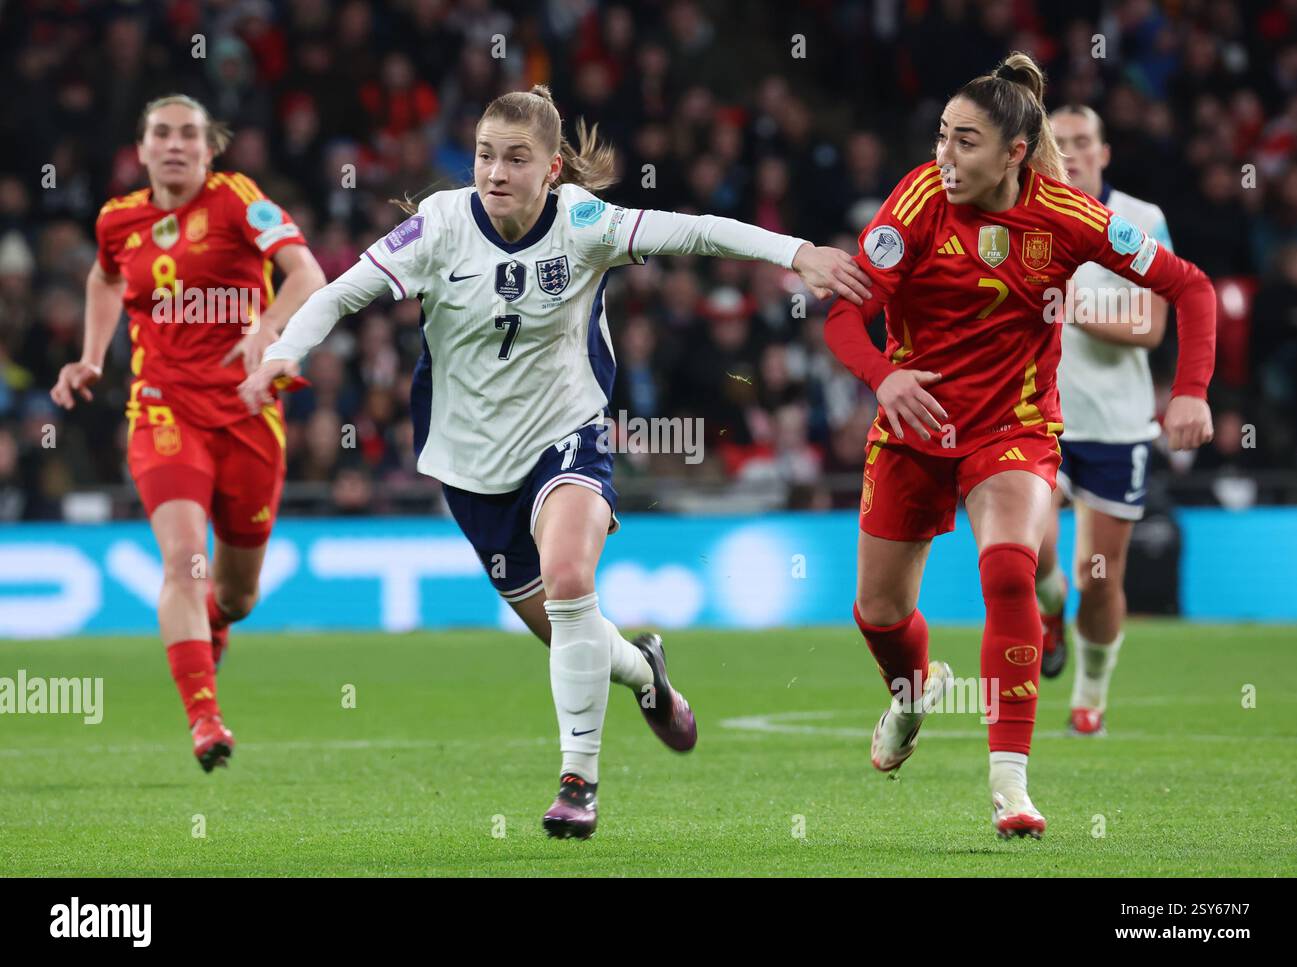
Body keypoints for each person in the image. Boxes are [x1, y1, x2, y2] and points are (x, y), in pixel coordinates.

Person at [238, 85, 870, 839]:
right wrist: (280, 353)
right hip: (470, 461)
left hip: (565, 432)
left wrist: (797, 253)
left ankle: (579, 783)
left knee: (572, 580)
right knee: (573, 632)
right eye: (483, 155)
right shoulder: (438, 226)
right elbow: (339, 296)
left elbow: (696, 233)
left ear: (553, 169)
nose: (495, 172)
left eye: (516, 159)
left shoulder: (584, 224)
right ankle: (646, 673)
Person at [823, 53, 1215, 839]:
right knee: (878, 611)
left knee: (1010, 569)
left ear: (1012, 152)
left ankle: (1012, 785)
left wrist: (1192, 391)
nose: (944, 157)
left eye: (965, 142)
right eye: (940, 136)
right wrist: (883, 378)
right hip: (912, 429)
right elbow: (842, 316)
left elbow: (1191, 286)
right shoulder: (916, 200)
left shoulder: (1069, 216)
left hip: (1013, 426)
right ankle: (911, 694)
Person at [51, 95, 326, 771]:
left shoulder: (238, 202)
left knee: (235, 593)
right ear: (142, 150)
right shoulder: (119, 219)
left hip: (248, 409)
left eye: (189, 136)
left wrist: (268, 327)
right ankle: (205, 719)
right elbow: (103, 277)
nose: (175, 145)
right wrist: (92, 355)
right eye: (161, 134)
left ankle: (217, 623)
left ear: (210, 150)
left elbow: (309, 275)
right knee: (182, 560)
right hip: (163, 408)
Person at [1034, 105, 1174, 734]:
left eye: (1083, 141)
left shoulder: (1142, 221)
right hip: (1039, 419)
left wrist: (1080, 311)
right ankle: (1046, 611)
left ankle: (1089, 697)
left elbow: (1151, 327)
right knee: (1030, 551)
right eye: (1059, 143)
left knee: (1099, 578)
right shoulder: (1024, 213)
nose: (1073, 153)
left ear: (1104, 150)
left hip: (1117, 426)